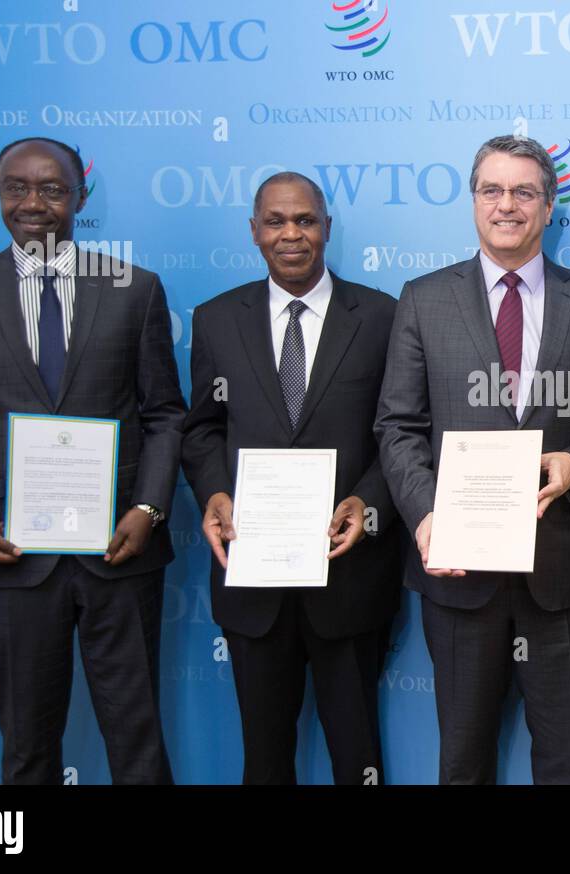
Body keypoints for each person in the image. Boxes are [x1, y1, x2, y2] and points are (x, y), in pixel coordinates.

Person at [0, 136, 186, 784]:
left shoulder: (134, 289)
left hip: (119, 551)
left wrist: (149, 507)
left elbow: (164, 414)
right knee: (26, 748)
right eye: (15, 187)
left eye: (51, 188)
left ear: (78, 197)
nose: (32, 203)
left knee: (138, 741)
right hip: (5, 555)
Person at [375, 134, 570, 784]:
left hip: (561, 572)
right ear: (473, 202)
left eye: (524, 191)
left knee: (564, 760)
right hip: (460, 573)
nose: (507, 205)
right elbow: (398, 425)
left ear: (549, 207)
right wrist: (425, 512)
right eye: (492, 190)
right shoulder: (423, 299)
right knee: (463, 760)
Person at [182, 172, 401, 784]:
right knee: (264, 759)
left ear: (327, 228)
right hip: (252, 581)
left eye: (304, 220)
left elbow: (402, 432)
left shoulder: (383, 315)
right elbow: (199, 429)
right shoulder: (217, 319)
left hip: (350, 576)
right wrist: (214, 492)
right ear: (254, 232)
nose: (291, 234)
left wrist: (370, 500)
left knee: (358, 757)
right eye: (275, 222)